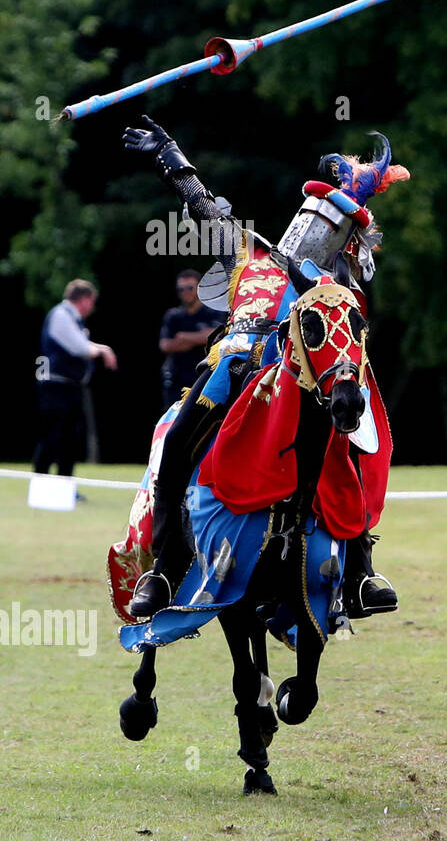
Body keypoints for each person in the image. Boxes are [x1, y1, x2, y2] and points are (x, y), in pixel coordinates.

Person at [120, 116, 404, 622]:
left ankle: (360, 570)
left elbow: (342, 342)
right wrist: (170, 156)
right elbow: (204, 207)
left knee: (354, 440)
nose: (309, 227)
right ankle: (164, 566)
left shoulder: (337, 283)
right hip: (233, 369)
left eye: (325, 223)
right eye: (309, 214)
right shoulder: (249, 252)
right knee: (178, 438)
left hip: (299, 380)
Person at [33, 280, 118, 478]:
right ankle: (40, 483)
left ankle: (64, 486)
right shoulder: (61, 315)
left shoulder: (72, 318)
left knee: (69, 439)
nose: (92, 307)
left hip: (69, 387)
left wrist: (102, 349)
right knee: (52, 437)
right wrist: (103, 351)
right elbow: (79, 347)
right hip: (55, 387)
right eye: (92, 301)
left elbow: (82, 343)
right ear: (85, 299)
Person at [159, 269, 221, 410]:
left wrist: (183, 337)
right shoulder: (173, 316)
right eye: (181, 289)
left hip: (204, 379)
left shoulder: (213, 312)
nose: (185, 292)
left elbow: (214, 336)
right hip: (177, 381)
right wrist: (199, 338)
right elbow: (165, 345)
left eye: (190, 288)